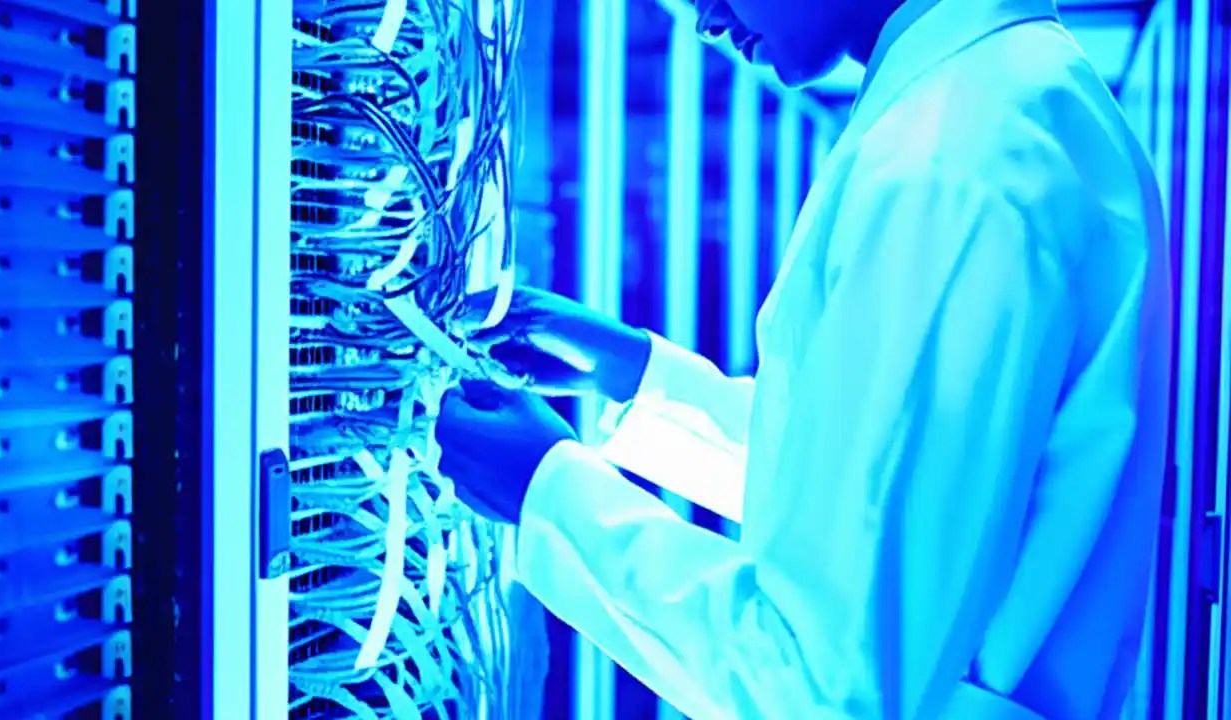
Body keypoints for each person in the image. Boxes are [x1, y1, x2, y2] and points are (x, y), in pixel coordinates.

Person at [435, 0, 1172, 717]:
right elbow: (895, 496)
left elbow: (823, 690)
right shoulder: (1015, 100)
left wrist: (548, 495)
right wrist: (636, 377)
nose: (702, 17)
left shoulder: (948, 165)